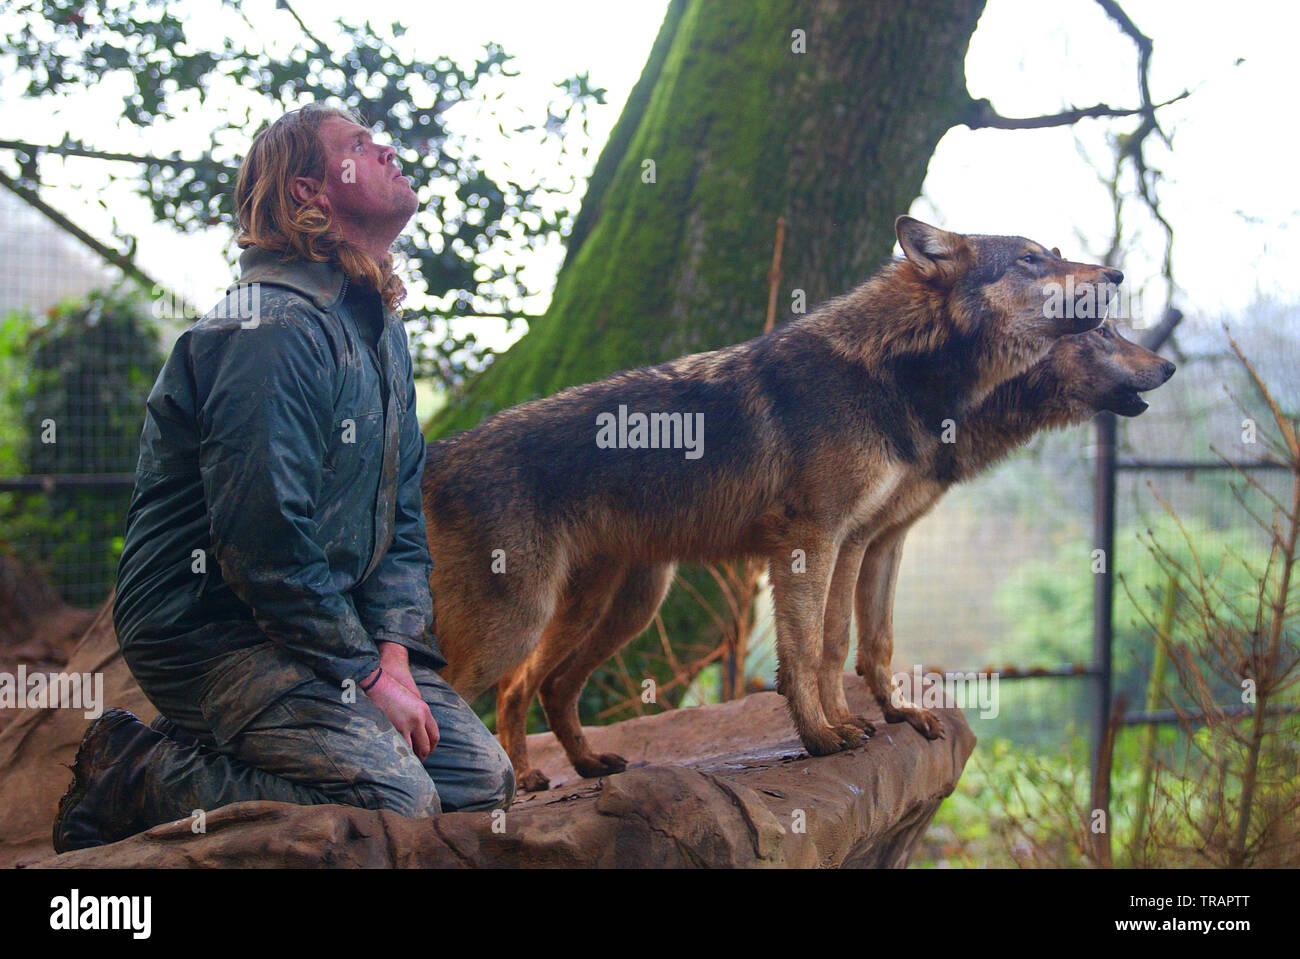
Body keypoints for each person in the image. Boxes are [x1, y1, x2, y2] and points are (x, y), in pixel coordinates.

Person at [54, 103, 514, 853]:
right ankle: (133, 771)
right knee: (395, 798)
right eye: (361, 145)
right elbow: (262, 544)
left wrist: (394, 653)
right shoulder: (266, 331)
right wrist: (364, 675)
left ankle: (248, 738)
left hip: (324, 633)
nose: (389, 150)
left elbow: (399, 518)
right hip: (211, 630)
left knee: (477, 783)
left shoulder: (380, 330)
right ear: (310, 193)